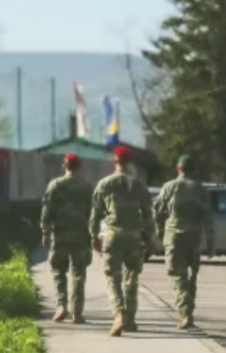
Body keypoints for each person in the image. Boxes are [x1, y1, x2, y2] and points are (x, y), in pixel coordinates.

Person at [89, 144, 156, 337]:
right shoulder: (139, 185)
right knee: (132, 278)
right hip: (134, 238)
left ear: (115, 162)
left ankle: (118, 314)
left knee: (113, 278)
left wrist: (93, 235)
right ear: (129, 163)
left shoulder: (105, 184)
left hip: (112, 237)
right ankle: (130, 319)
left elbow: (95, 213)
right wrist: (151, 238)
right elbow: (148, 214)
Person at [152, 154, 215, 330]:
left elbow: (157, 210)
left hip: (174, 236)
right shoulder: (201, 189)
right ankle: (189, 313)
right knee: (191, 276)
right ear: (193, 170)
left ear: (178, 169)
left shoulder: (170, 186)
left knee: (177, 275)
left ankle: (185, 312)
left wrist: (159, 231)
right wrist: (210, 243)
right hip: (194, 237)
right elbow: (208, 218)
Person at [40, 152, 94, 323]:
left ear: (64, 166)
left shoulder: (55, 185)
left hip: (60, 236)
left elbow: (47, 210)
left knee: (58, 271)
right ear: (79, 166)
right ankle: (77, 312)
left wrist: (45, 232)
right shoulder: (86, 187)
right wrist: (94, 235)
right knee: (79, 274)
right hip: (81, 237)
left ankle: (61, 306)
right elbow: (93, 213)